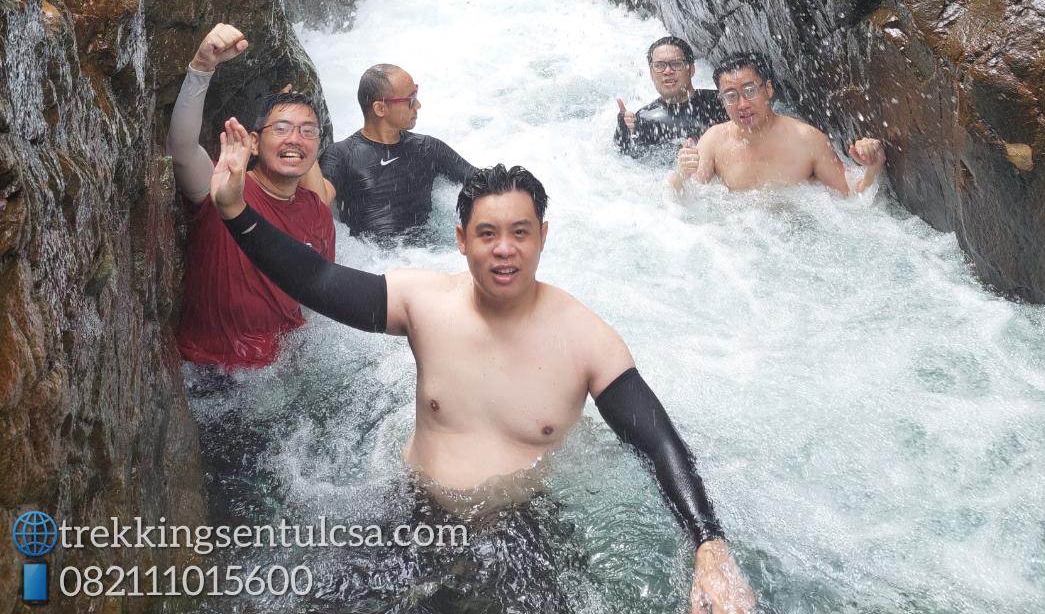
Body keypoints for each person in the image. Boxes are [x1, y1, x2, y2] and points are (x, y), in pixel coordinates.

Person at [209, 137, 757, 614]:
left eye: (520, 232)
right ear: (461, 239)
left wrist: (709, 545)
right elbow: (317, 279)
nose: (504, 249)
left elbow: (658, 443)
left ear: (542, 235)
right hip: (414, 508)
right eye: (487, 233)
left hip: (520, 523)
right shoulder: (422, 302)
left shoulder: (587, 339)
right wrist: (236, 210)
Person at [168, 23, 336, 368]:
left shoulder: (317, 212)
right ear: (256, 143)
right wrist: (201, 68)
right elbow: (182, 150)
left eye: (308, 132)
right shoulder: (226, 185)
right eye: (283, 129)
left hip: (282, 370)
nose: (296, 139)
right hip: (213, 372)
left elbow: (321, 295)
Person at [675, 52, 885, 195]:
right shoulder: (715, 139)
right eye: (730, 96)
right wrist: (680, 174)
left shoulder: (808, 140)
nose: (742, 104)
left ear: (768, 89)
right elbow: (683, 204)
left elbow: (851, 199)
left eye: (750, 91)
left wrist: (873, 168)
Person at [320, 64, 477, 239]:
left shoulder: (428, 148)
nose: (417, 105)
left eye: (416, 94)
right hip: (372, 261)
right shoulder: (342, 155)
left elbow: (481, 181)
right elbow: (317, 203)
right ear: (380, 108)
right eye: (410, 99)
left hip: (429, 254)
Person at [616, 35, 725, 155]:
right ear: (651, 74)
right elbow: (630, 162)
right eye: (659, 66)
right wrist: (623, 133)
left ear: (691, 69)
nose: (668, 71)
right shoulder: (644, 119)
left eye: (676, 64)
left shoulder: (721, 102)